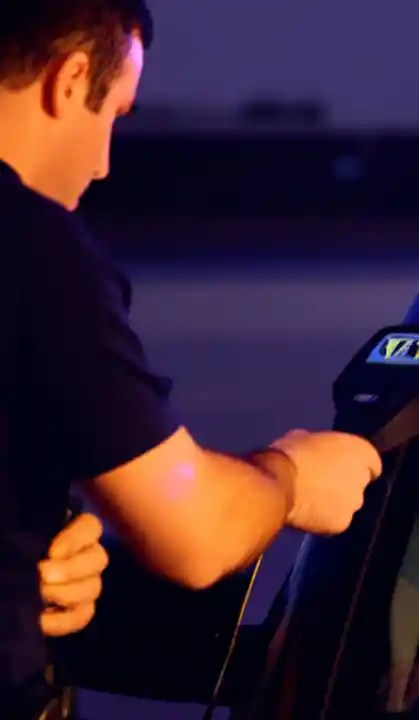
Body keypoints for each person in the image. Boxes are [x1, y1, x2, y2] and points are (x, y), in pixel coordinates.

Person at [0, 1, 384, 715]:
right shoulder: (32, 252)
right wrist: (295, 478)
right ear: (69, 77)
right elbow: (194, 535)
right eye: (113, 113)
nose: (103, 162)